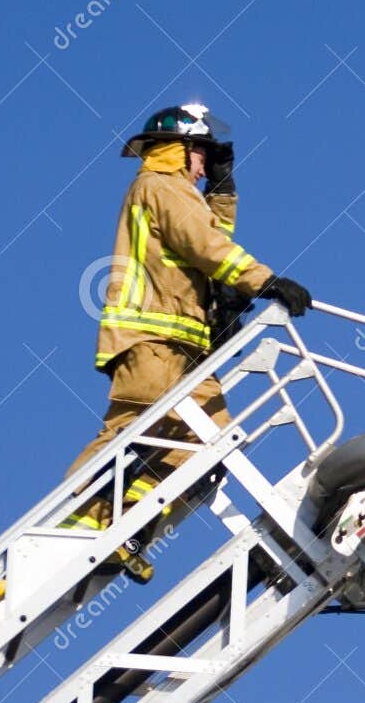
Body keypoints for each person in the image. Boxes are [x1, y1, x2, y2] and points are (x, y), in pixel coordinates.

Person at [60, 103, 312, 582]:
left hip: (186, 349)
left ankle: (128, 528)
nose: (205, 166)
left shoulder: (179, 192)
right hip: (153, 340)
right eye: (204, 156)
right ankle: (78, 523)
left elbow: (209, 237)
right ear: (182, 150)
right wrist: (265, 282)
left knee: (206, 444)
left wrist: (223, 192)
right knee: (134, 432)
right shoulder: (159, 186)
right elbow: (204, 245)